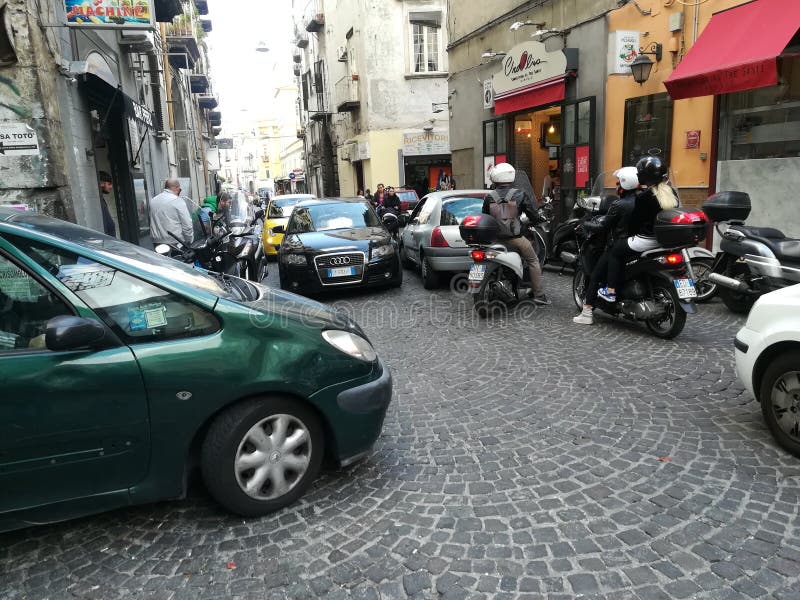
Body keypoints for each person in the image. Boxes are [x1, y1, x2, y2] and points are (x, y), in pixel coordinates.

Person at [598, 156, 679, 303]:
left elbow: (635, 223)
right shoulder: (671, 193)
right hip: (665, 241)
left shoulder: (644, 197)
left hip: (647, 240)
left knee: (616, 251)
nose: (637, 175)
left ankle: (610, 290)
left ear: (645, 176)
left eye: (639, 172)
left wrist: (626, 235)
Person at [573, 167, 639, 325]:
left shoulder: (619, 204)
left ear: (623, 185)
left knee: (595, 276)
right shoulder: (641, 201)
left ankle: (587, 313)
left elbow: (603, 226)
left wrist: (586, 224)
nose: (617, 187)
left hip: (618, 244)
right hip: (636, 244)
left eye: (618, 183)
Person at [481, 162, 550, 305]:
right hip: (515, 239)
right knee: (533, 260)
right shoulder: (519, 194)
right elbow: (533, 214)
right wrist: (538, 219)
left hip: (494, 240)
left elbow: (485, 216)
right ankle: (539, 295)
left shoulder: (489, 197)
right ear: (511, 176)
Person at [150, 178, 194, 246]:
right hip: (175, 242)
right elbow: (187, 224)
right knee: (176, 257)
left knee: (158, 257)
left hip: (157, 242)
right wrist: (189, 240)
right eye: (180, 189)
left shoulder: (153, 201)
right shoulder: (178, 201)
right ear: (177, 187)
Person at [97, 171, 117, 237]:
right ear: (101, 183)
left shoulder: (101, 199)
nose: (111, 187)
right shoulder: (98, 201)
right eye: (109, 184)